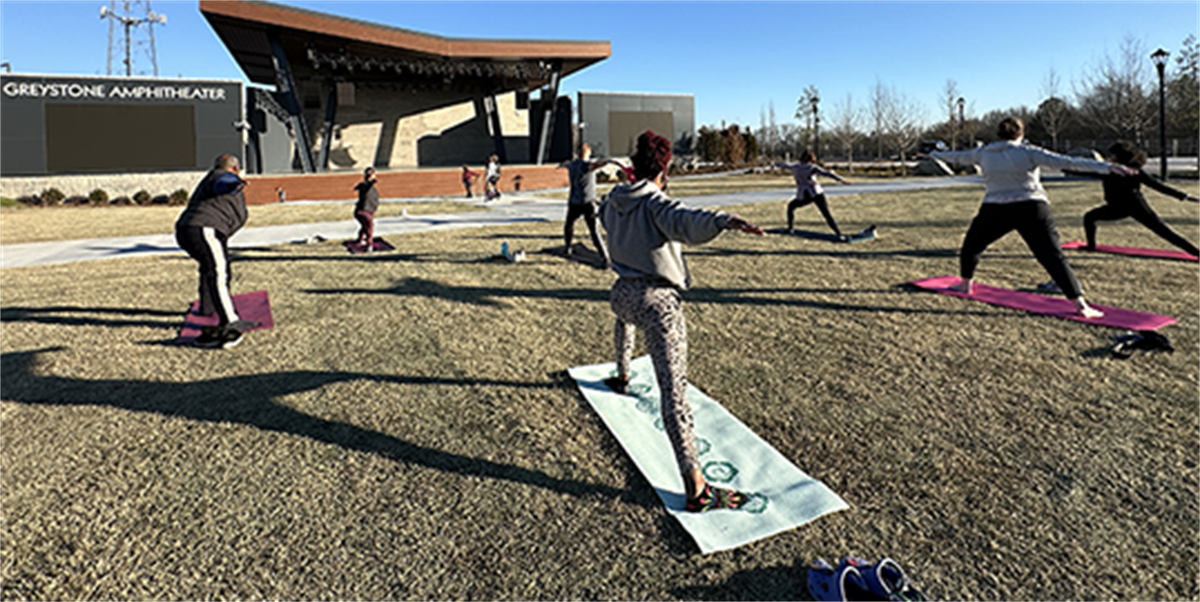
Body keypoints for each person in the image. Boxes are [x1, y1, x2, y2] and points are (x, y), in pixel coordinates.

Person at [599, 130, 765, 512]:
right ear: (664, 169)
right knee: (674, 396)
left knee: (625, 322)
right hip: (657, 302)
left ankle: (622, 374)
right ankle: (697, 490)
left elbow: (607, 219)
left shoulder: (614, 200)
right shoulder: (655, 202)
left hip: (621, 294)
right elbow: (684, 219)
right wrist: (725, 220)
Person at [929, 117, 1135, 318]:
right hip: (1031, 207)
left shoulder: (983, 153)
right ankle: (1080, 305)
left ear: (998, 134)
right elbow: (1068, 162)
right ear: (1021, 134)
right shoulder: (1028, 152)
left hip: (996, 208)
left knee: (972, 246)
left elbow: (956, 157)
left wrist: (932, 154)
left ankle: (965, 284)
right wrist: (1108, 167)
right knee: (1052, 256)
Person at [174, 154, 259, 348]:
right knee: (219, 272)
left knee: (210, 268)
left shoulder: (211, 179)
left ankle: (207, 308)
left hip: (191, 230)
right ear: (235, 168)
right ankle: (230, 321)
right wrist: (234, 183)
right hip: (204, 229)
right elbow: (222, 182)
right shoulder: (220, 176)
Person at [1077, 141, 1200, 257]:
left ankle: (1197, 253)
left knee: (1164, 231)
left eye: (1113, 155)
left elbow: (1157, 186)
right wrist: (1068, 167)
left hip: (1137, 207)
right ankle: (1091, 246)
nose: (1111, 157)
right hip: (1117, 207)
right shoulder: (1109, 170)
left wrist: (1183, 196)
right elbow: (1087, 172)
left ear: (1120, 157)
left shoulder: (1134, 172)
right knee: (1089, 217)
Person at [777, 149, 854, 239]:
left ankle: (790, 229)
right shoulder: (812, 167)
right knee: (826, 214)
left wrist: (775, 164)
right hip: (816, 193)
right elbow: (827, 173)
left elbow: (784, 165)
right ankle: (839, 234)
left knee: (791, 207)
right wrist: (842, 180)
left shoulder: (796, 166)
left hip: (804, 195)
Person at [558, 143, 613, 266]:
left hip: (574, 202)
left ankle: (568, 247)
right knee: (594, 231)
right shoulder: (585, 165)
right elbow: (595, 165)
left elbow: (566, 164)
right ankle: (605, 256)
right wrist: (607, 161)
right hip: (588, 202)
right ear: (589, 153)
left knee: (569, 224)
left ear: (577, 153)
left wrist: (563, 164)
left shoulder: (572, 165)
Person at [353, 167, 380, 252]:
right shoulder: (364, 186)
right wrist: (370, 181)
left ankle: (360, 239)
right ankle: (369, 244)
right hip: (363, 211)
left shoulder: (371, 188)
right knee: (370, 226)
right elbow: (366, 185)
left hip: (370, 210)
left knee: (365, 226)